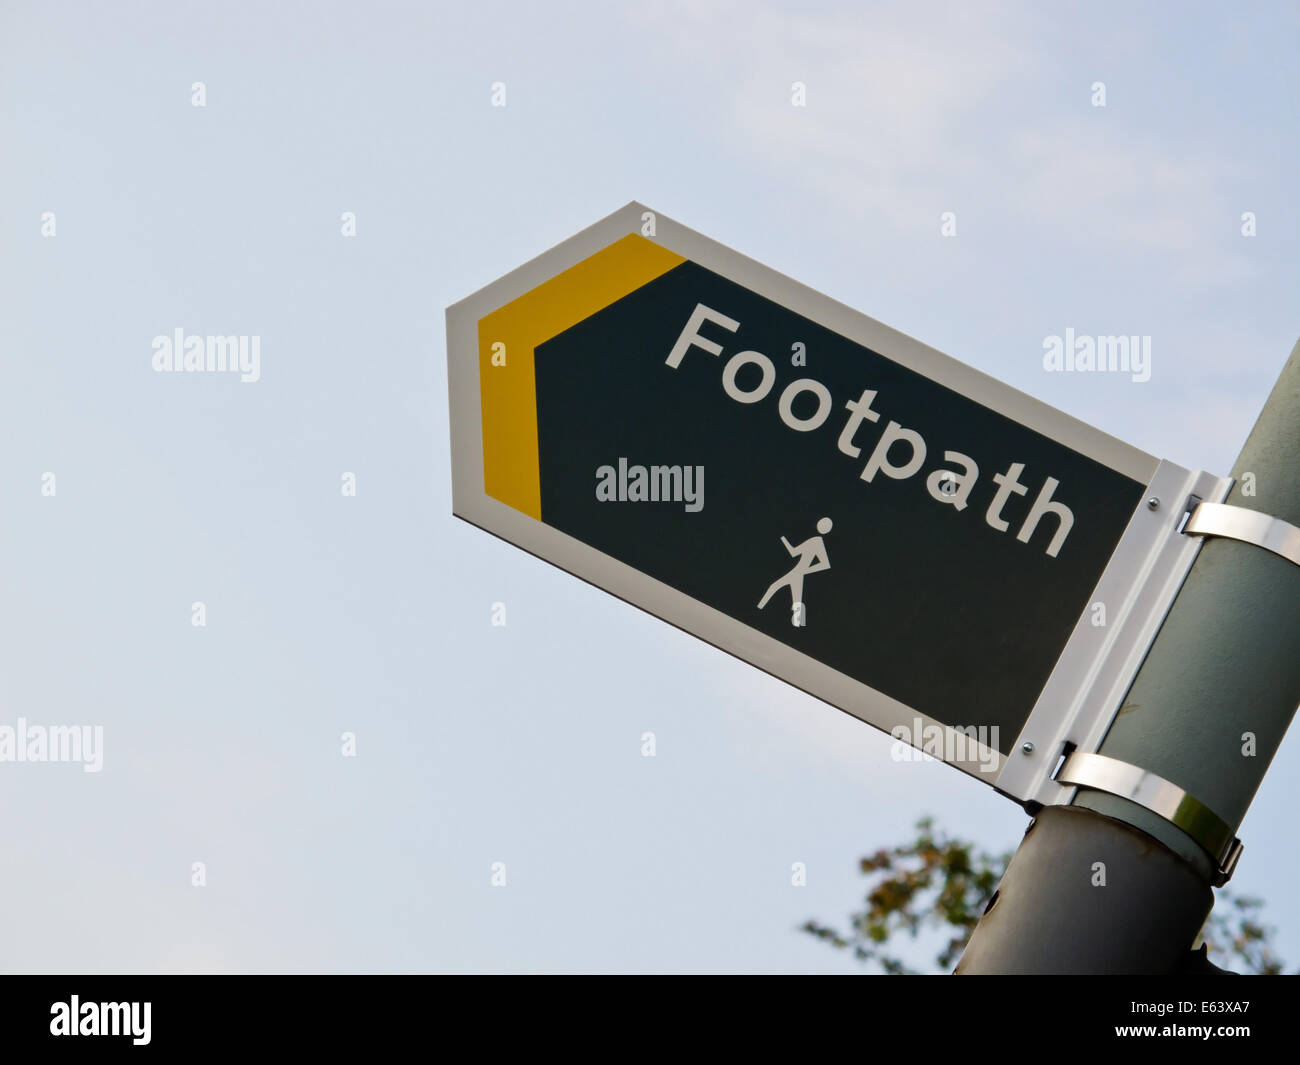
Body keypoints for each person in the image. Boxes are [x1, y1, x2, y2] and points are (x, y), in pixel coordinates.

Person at [757, 517, 833, 621]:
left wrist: (806, 570)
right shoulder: (813, 540)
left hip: (797, 573)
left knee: (774, 587)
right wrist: (783, 538)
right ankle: (797, 624)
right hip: (797, 573)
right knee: (795, 600)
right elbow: (793, 552)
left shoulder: (818, 542)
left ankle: (758, 610)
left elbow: (825, 564)